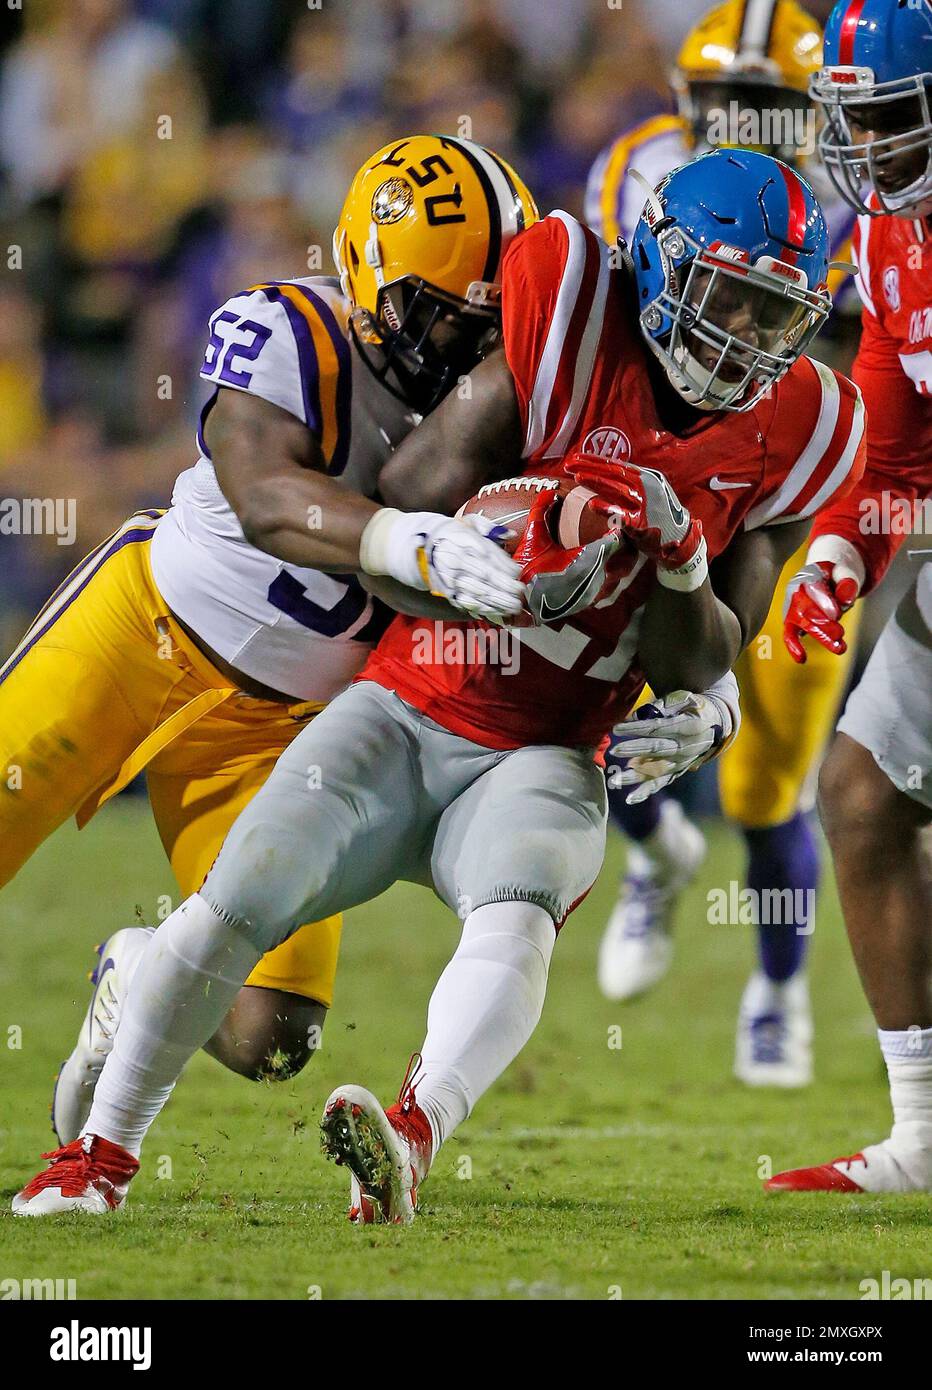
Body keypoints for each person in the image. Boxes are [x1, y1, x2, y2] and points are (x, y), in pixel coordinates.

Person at [12, 149, 866, 1222]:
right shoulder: (321, 331)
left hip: (491, 736)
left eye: (769, 313)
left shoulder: (798, 423)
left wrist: (702, 646)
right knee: (234, 900)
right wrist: (420, 541)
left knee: (348, 992)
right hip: (261, 662)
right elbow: (321, 494)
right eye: (726, 299)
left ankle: (411, 1135)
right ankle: (98, 1158)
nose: (740, 338)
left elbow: (711, 645)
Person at [1, 136, 535, 1146]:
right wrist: (391, 534)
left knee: (271, 1032)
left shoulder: (497, 405)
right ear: (369, 275)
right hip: (145, 631)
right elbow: (261, 495)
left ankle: (136, 964)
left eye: (487, 326)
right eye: (440, 317)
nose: (463, 349)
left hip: (288, 730)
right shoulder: (289, 327)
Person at [585, 0, 862, 1091]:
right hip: (667, 465)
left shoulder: (861, 195)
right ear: (686, 99)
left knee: (764, 774)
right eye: (726, 101)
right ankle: (652, 852)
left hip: (799, 486)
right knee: (586, 688)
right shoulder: (640, 170)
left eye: (767, 103)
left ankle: (777, 989)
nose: (744, 123)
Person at [766, 0, 932, 1192]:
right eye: (855, 121)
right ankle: (925, 1134)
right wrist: (836, 555)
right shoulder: (884, 235)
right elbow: (888, 443)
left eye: (890, 118)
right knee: (861, 792)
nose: (867, 148)